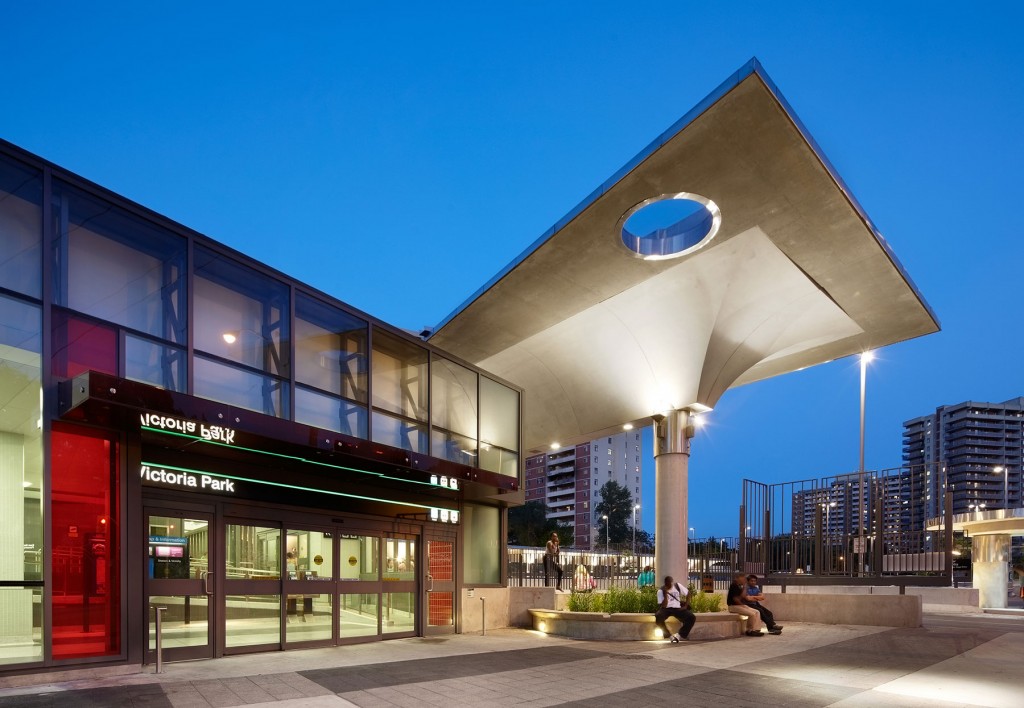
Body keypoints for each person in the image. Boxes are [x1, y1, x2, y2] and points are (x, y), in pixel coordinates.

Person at [655, 575, 696, 643]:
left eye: (670, 583)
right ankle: (669, 635)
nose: (669, 585)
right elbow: (663, 605)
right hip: (666, 609)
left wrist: (685, 606)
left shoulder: (677, 586)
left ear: (672, 582)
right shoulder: (660, 591)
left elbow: (688, 594)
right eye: (667, 584)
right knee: (658, 617)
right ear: (665, 583)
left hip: (677, 608)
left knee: (691, 617)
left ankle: (679, 635)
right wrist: (665, 595)